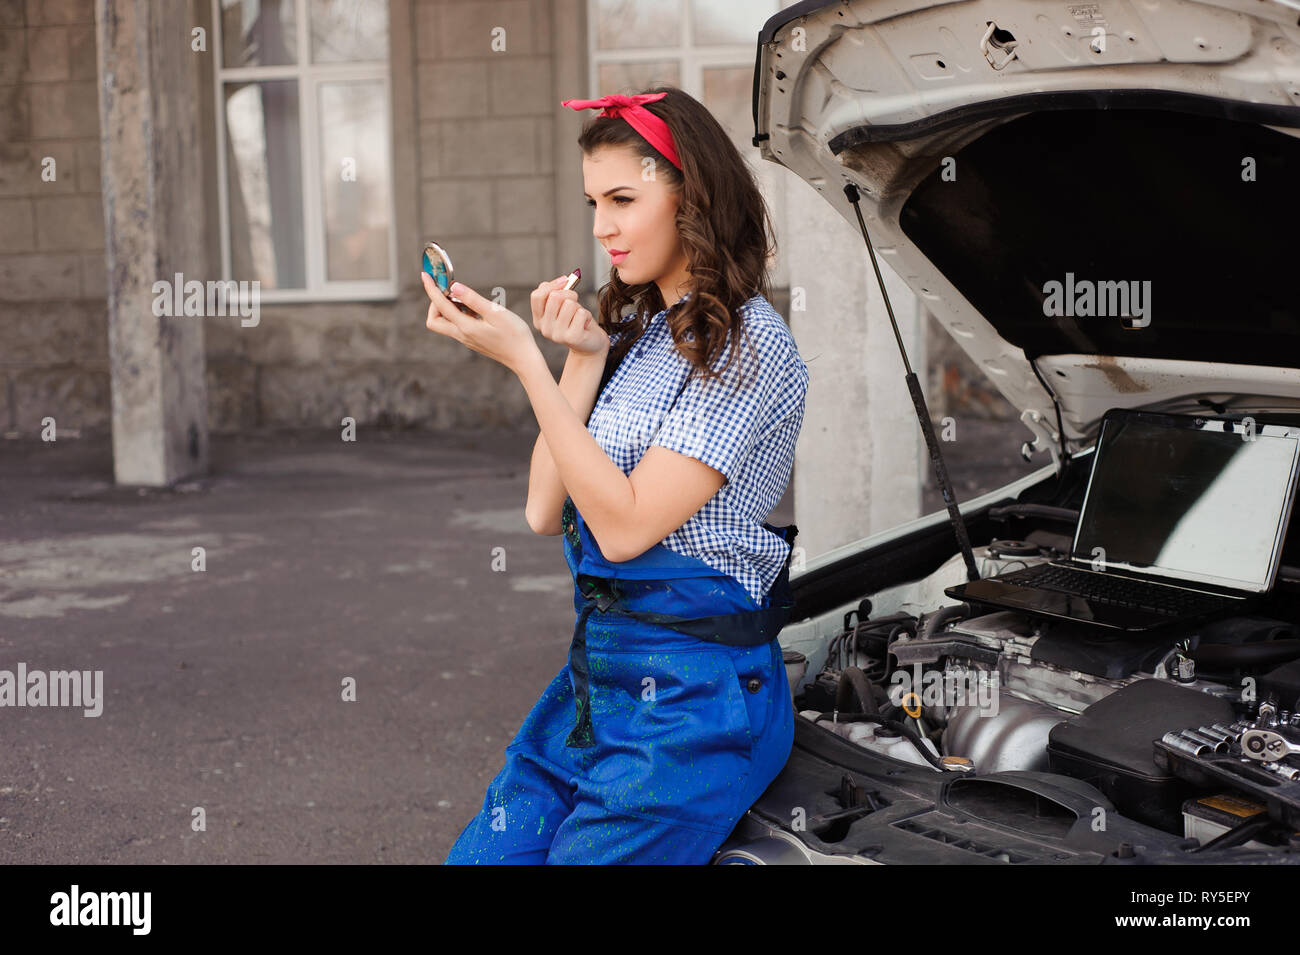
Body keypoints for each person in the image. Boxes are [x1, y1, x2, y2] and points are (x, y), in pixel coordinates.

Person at [423, 86, 810, 864]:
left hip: (697, 700)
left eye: (624, 199)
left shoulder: (749, 345)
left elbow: (626, 528)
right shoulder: (635, 332)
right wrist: (579, 361)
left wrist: (526, 364)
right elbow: (543, 507)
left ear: (691, 198)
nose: (602, 226)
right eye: (594, 201)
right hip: (601, 678)